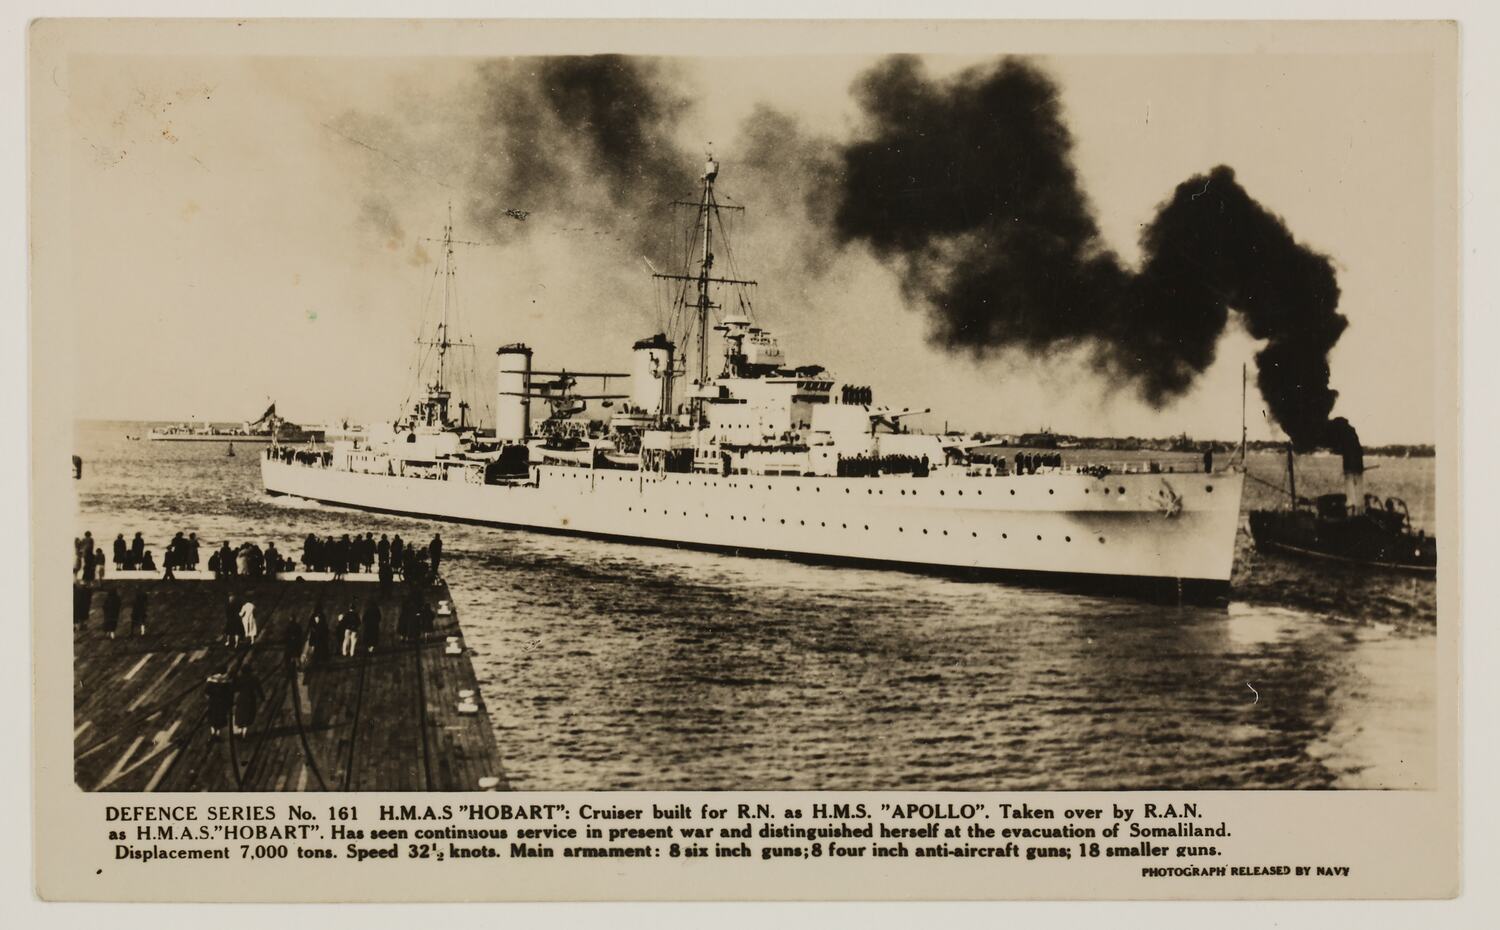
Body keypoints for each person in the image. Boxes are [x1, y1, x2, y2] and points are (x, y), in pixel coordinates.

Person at [204, 666, 234, 742]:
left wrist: (209, 699)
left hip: (213, 703)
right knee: (220, 719)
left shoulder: (210, 681)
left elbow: (206, 692)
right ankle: (217, 734)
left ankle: (213, 734)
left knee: (212, 719)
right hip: (221, 704)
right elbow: (229, 694)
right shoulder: (226, 682)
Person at [233, 672, 265, 739]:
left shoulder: (239, 678)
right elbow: (259, 689)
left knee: (241, 715)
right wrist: (262, 698)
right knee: (248, 717)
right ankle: (244, 734)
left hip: (241, 698)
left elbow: (235, 688)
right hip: (250, 699)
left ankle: (239, 732)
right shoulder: (254, 678)